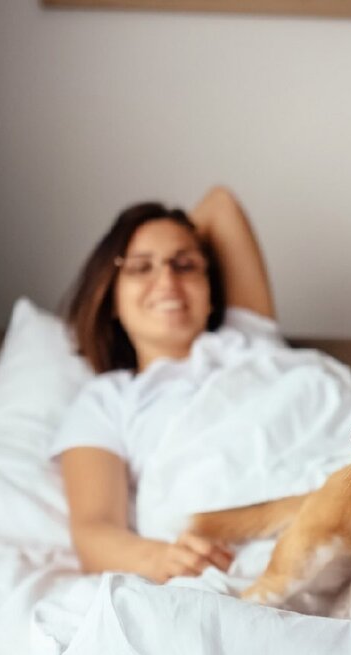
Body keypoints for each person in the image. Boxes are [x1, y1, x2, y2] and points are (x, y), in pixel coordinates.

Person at [52, 186, 282, 583]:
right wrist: (162, 558)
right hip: (232, 550)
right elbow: (94, 530)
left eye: (185, 265)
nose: (167, 280)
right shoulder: (108, 399)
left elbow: (220, 203)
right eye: (141, 268)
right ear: (112, 299)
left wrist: (167, 242)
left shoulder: (248, 338)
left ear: (211, 293)